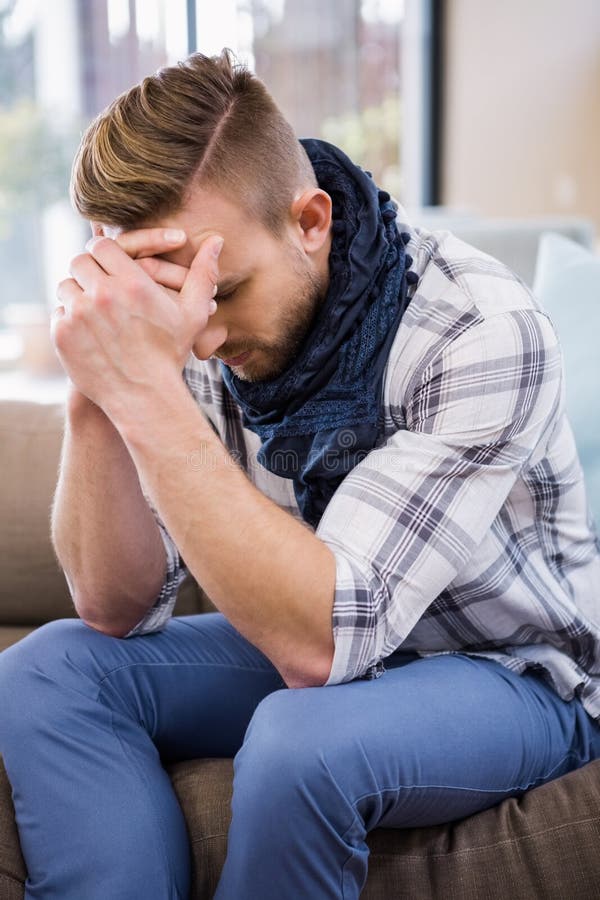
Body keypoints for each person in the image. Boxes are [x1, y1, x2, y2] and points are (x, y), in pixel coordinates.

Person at [0, 49, 599, 900]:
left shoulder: (479, 328)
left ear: (310, 220)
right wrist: (102, 388)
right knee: (47, 671)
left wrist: (151, 394)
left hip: (511, 666)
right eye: (171, 299)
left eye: (226, 292)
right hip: (342, 647)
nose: (200, 340)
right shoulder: (190, 320)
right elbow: (114, 603)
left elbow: (323, 644)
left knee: (298, 745)